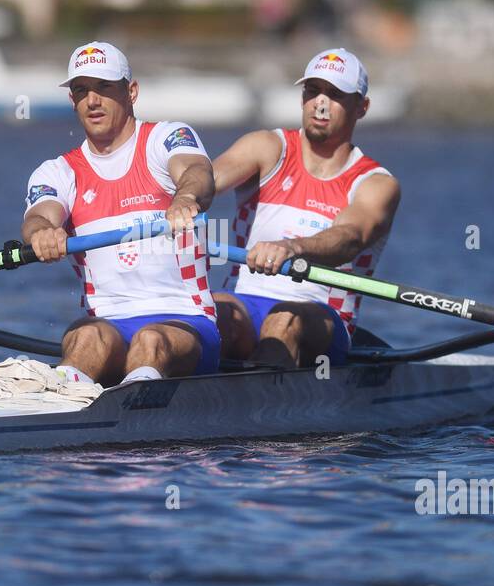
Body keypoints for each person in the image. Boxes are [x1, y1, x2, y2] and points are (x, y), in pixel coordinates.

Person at [21, 41, 219, 386]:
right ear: (72, 101)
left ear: (132, 91)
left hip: (186, 321)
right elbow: (39, 216)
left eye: (104, 88)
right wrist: (42, 233)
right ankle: (53, 403)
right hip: (108, 324)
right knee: (84, 340)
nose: (92, 101)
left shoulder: (165, 138)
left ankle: (131, 413)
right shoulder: (57, 171)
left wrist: (185, 197)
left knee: (150, 340)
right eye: (81, 91)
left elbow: (197, 173)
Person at [212, 48, 401, 367]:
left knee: (283, 320)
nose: (321, 104)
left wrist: (292, 247)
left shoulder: (375, 184)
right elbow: (207, 180)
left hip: (321, 319)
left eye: (335, 94)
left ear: (362, 107)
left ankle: (263, 402)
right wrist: (182, 199)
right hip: (244, 304)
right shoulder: (267, 147)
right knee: (205, 313)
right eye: (313, 91)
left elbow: (349, 237)